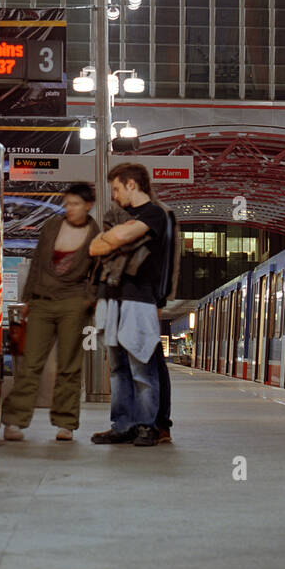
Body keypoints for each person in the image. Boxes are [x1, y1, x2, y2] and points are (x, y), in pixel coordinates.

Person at [0, 183, 99, 442]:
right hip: (42, 302)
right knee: (30, 362)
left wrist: (88, 299)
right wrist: (27, 300)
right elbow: (37, 263)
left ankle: (66, 423)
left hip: (73, 303)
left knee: (69, 364)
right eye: (67, 203)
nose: (70, 209)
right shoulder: (52, 226)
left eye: (75, 204)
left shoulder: (95, 233)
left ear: (88, 206)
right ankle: (14, 421)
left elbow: (98, 271)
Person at [88, 162, 168, 448]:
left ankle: (147, 426)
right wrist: (110, 239)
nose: (114, 195)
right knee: (118, 369)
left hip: (139, 299)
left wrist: (111, 238)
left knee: (141, 367)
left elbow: (115, 238)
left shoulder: (154, 214)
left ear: (132, 184)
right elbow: (95, 247)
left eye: (117, 188)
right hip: (112, 298)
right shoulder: (121, 217)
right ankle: (122, 425)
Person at [105, 200, 173, 443]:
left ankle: (156, 424)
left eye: (119, 189)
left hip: (145, 300)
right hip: (124, 300)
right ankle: (131, 424)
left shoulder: (160, 215)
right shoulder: (125, 218)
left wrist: (160, 301)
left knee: (148, 366)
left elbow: (168, 264)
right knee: (127, 366)